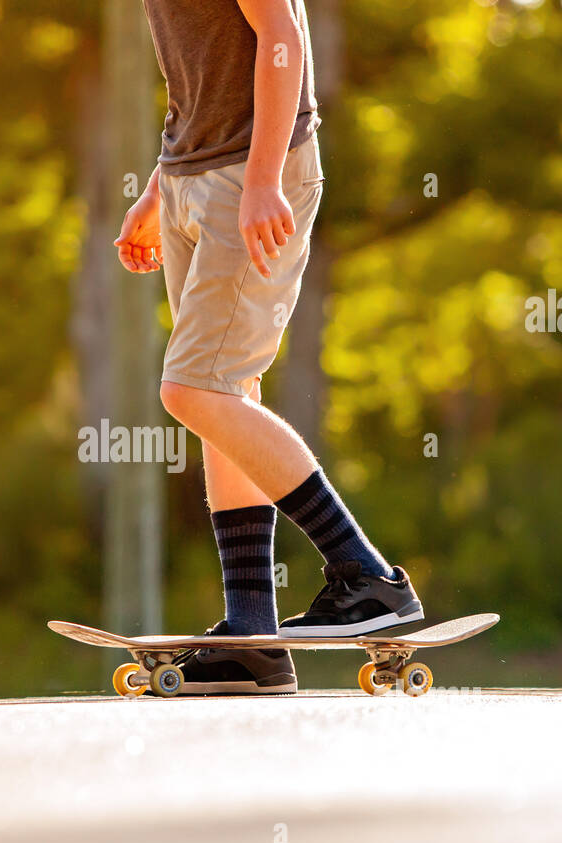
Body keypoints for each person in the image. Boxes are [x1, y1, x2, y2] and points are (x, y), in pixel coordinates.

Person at [114, 0, 423, 695]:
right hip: (193, 176)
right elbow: (202, 74)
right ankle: (252, 633)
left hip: (253, 177)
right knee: (224, 394)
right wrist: (160, 187)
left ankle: (366, 575)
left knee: (192, 388)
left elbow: (283, 33)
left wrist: (261, 180)